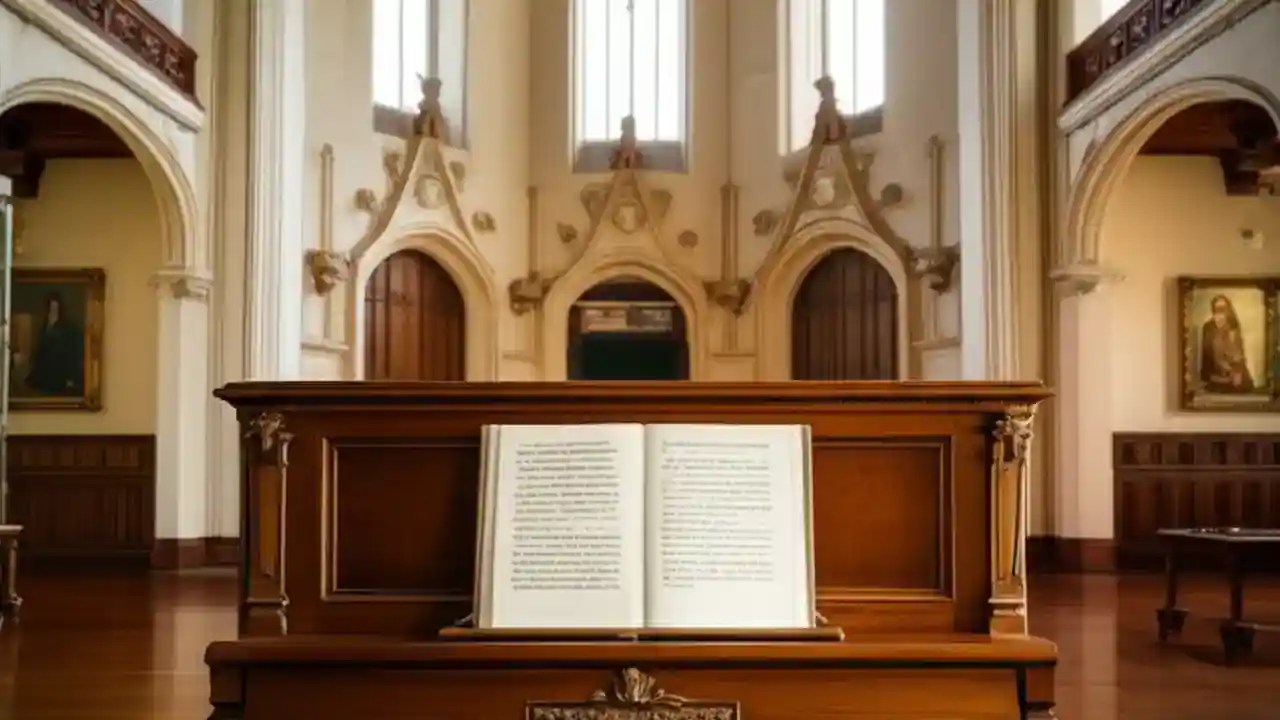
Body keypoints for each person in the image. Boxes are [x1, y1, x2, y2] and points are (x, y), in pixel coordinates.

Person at [27, 291, 84, 397]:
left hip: (62, 380)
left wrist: (71, 380)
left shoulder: (71, 330)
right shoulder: (43, 328)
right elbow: (39, 353)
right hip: (44, 380)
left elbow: (74, 355)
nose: (52, 313)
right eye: (49, 309)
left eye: (55, 309)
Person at [1199, 294, 1254, 393]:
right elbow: (1207, 354)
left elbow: (1238, 353)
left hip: (1235, 375)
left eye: (1223, 308)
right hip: (1216, 377)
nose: (1220, 312)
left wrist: (1236, 372)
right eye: (1217, 309)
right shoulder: (1208, 327)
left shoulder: (1233, 327)